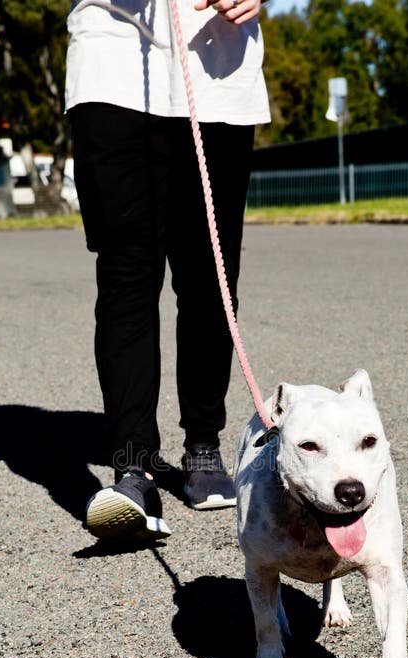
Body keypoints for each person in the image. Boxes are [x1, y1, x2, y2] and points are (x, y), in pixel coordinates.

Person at [65, 0, 270, 542]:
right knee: (128, 277)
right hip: (113, 71)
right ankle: (133, 466)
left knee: (211, 279)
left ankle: (203, 444)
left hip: (217, 74)